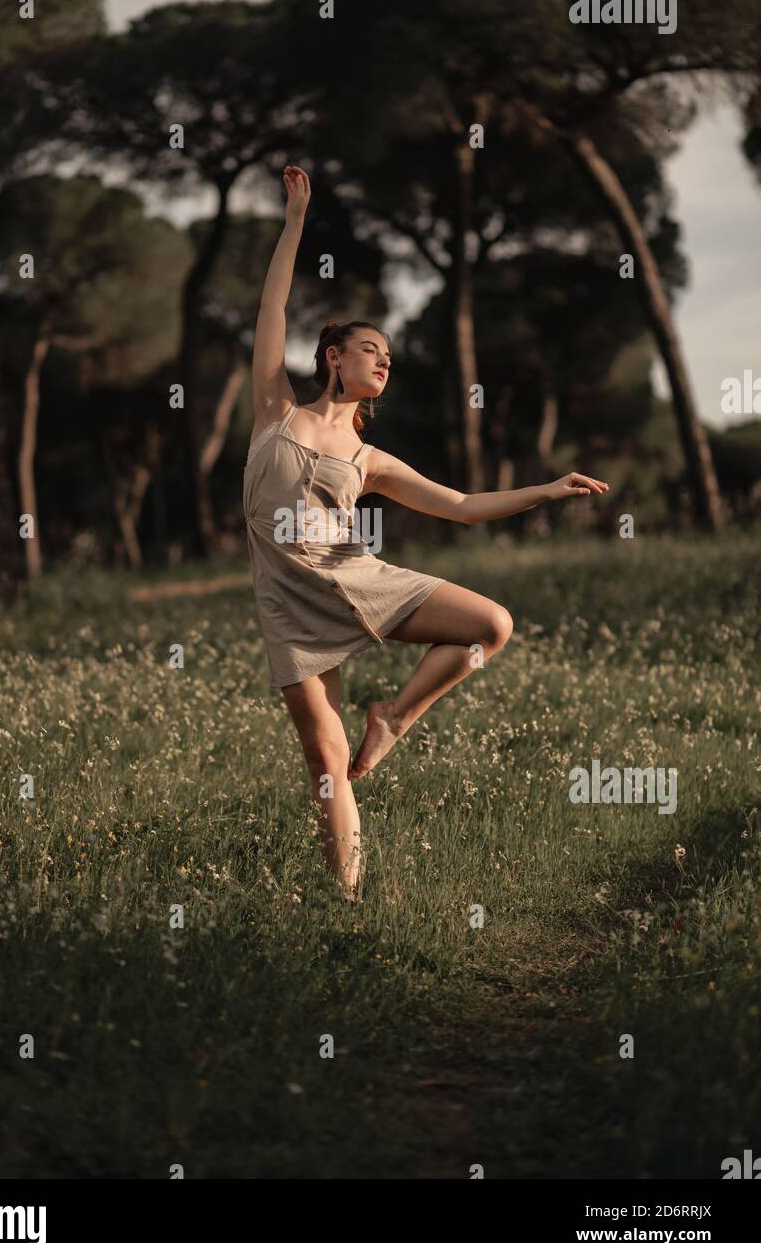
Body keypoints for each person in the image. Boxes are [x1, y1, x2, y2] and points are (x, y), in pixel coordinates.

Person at [244, 166, 609, 899]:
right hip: (290, 604)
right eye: (371, 348)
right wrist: (294, 222)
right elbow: (273, 307)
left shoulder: (370, 458)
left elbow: (464, 504)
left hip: (357, 576)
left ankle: (396, 717)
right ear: (333, 355)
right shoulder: (275, 409)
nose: (384, 359)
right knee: (324, 757)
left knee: (489, 624)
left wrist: (544, 489)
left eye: (390, 357)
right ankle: (345, 900)